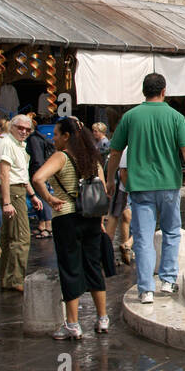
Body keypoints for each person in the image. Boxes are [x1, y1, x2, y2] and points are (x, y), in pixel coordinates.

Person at [107, 73, 185, 302]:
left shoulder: (130, 117)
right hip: (169, 185)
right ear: (164, 91)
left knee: (142, 237)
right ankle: (169, 281)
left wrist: (110, 179)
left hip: (140, 187)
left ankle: (146, 289)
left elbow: (115, 151)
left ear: (144, 91)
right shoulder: (175, 116)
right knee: (171, 232)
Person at [34, 117, 108, 338]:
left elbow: (38, 177)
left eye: (56, 134)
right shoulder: (92, 157)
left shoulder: (61, 156)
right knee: (94, 266)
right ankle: (103, 318)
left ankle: (73, 324)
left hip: (66, 217)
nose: (54, 138)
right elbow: (102, 188)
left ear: (66, 136)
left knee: (70, 267)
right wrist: (101, 221)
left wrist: (48, 198)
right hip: (91, 216)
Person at [0, 114, 44, 293]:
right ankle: (15, 279)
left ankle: (8, 278)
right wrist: (7, 202)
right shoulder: (7, 144)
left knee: (9, 237)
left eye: (27, 129)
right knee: (21, 237)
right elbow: (4, 174)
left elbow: (20, 174)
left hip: (17, 190)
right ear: (11, 127)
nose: (23, 131)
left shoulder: (18, 145)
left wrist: (32, 195)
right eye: (20, 128)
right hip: (12, 192)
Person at [26, 116, 54, 239]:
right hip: (40, 171)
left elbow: (37, 157)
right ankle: (42, 224)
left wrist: (38, 174)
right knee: (40, 198)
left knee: (42, 198)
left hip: (37, 172)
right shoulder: (38, 137)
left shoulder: (33, 139)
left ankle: (48, 225)